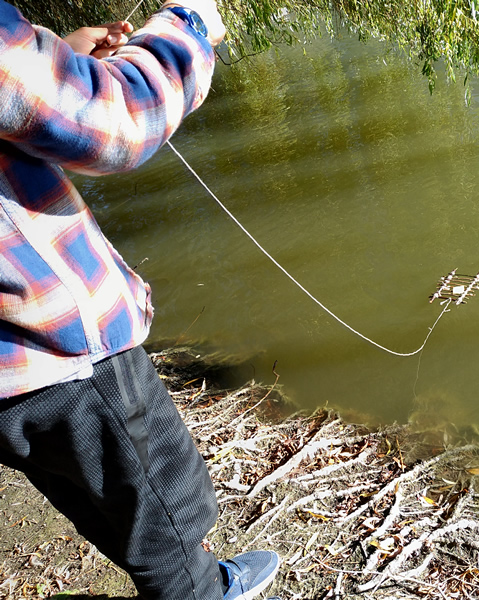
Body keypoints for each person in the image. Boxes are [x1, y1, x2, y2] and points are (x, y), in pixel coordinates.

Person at [0, 1, 280, 598]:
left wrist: (60, 62)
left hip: (8, 377)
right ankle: (206, 592)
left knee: (98, 500)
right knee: (168, 509)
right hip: (60, 353)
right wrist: (190, 26)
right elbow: (117, 120)